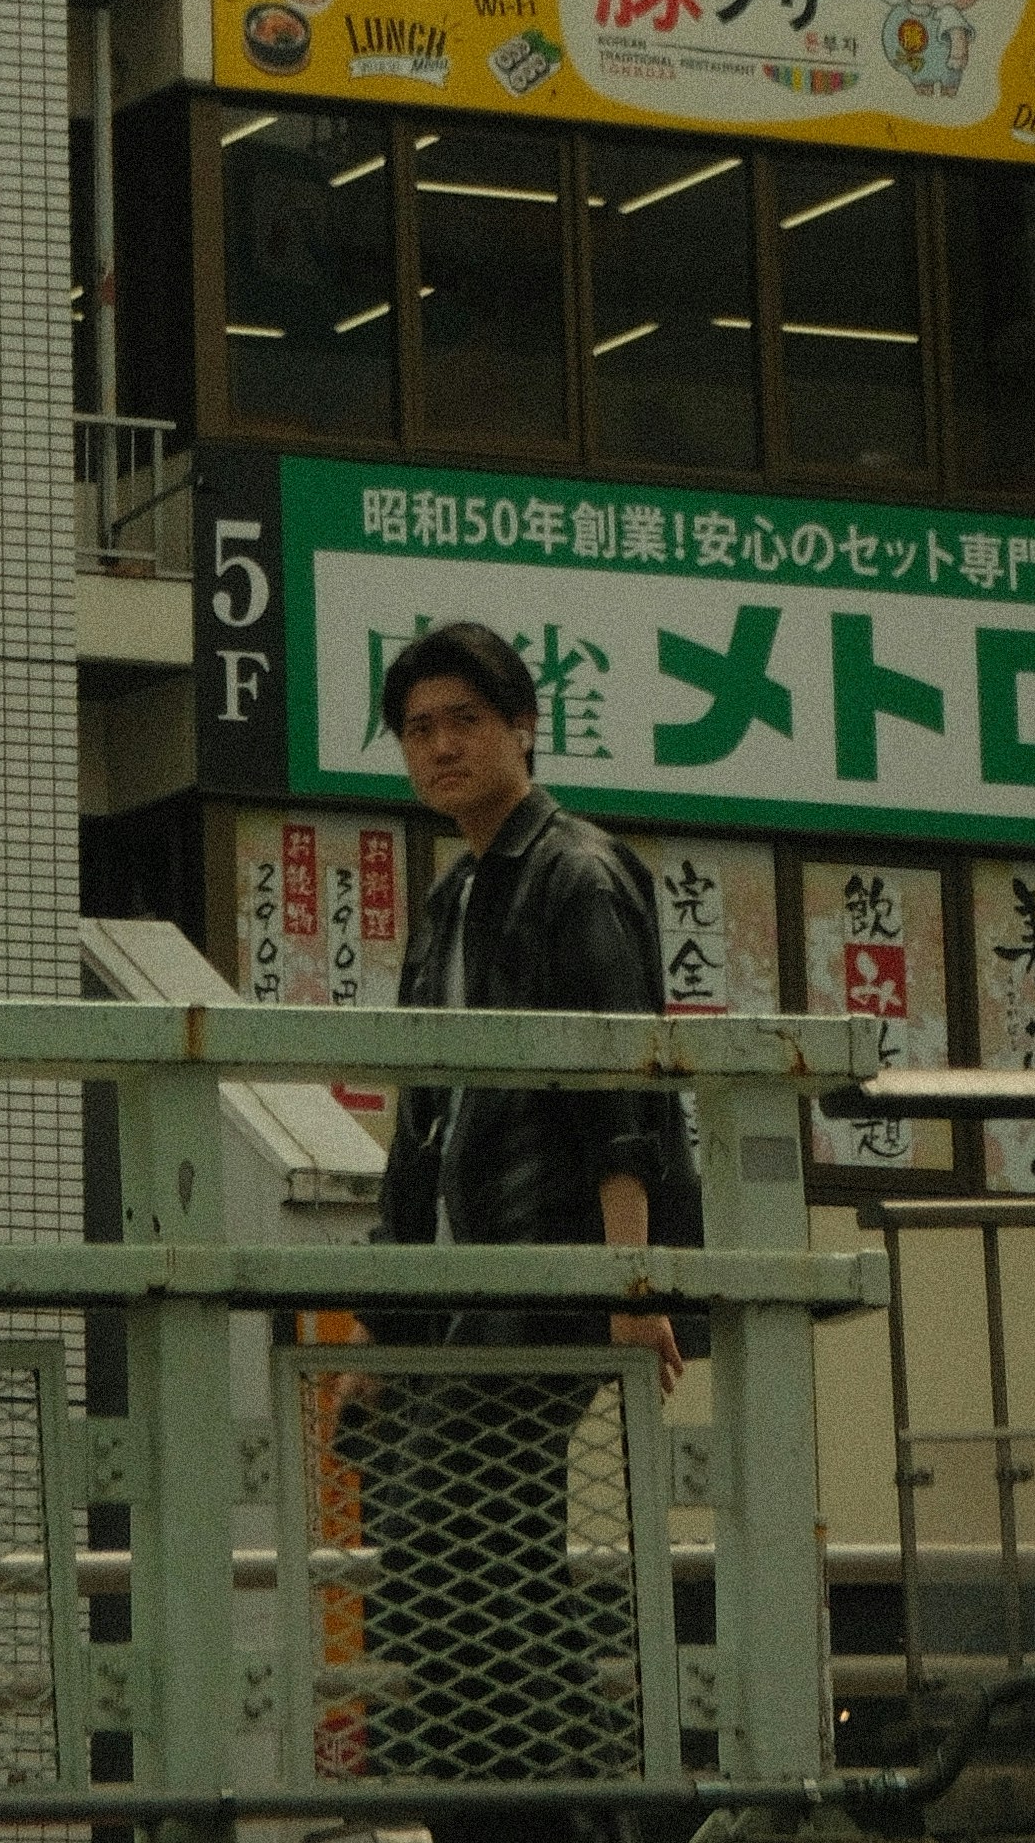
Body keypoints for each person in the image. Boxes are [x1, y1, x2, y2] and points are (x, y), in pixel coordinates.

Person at [346, 620, 696, 1843]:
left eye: (464, 722)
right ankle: (544, 1814)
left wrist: (630, 1278)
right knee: (471, 1561)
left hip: (548, 1270)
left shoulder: (579, 874)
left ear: (522, 728)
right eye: (418, 730)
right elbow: (422, 1122)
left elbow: (622, 1090)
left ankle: (547, 1817)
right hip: (460, 1279)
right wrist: (382, 1319)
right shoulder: (451, 900)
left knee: (442, 1531)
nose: (440, 747)